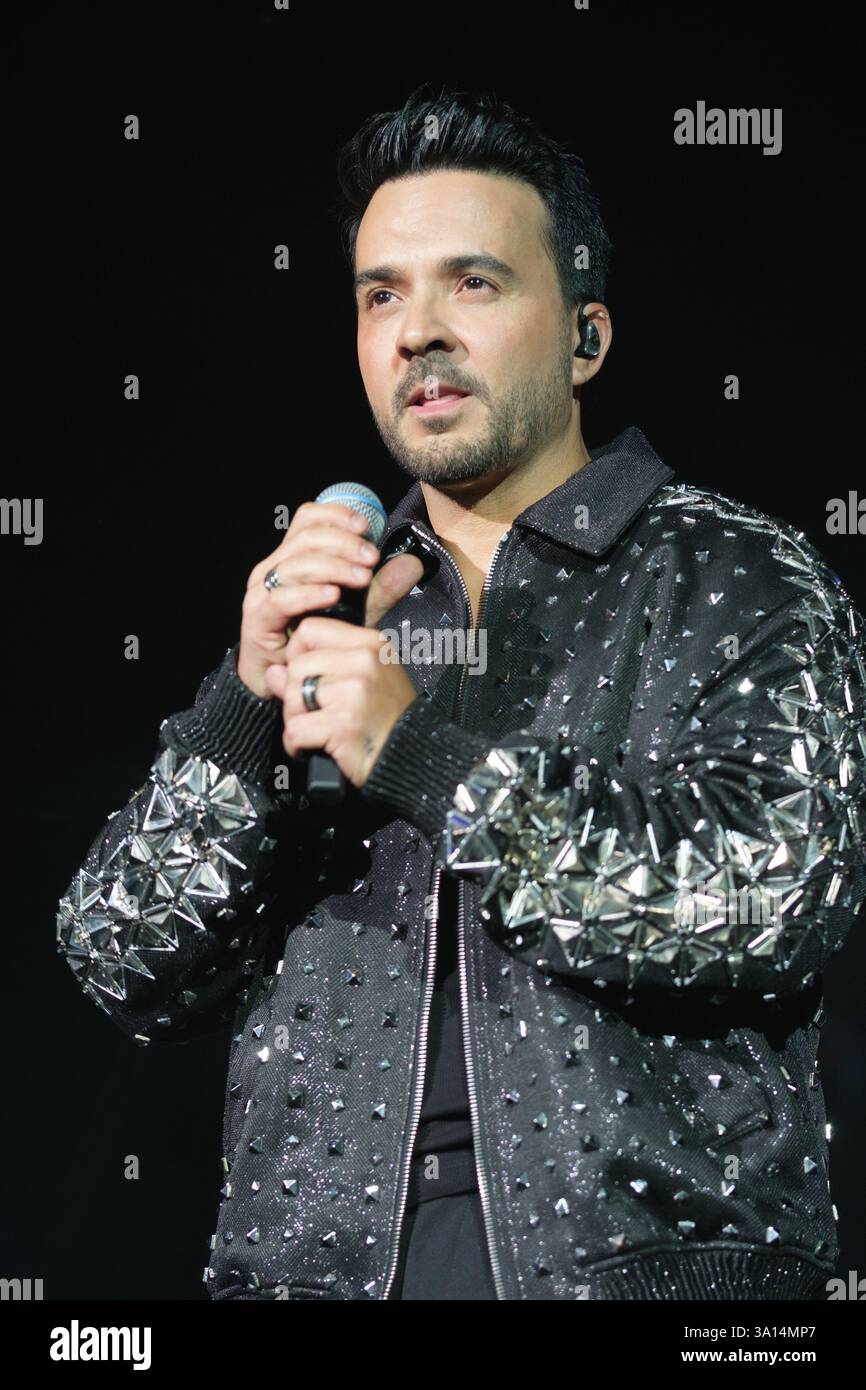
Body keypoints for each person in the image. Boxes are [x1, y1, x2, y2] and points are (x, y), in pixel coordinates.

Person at [57, 84, 865, 1301]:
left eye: (471, 284)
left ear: (584, 336)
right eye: (382, 293)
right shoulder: (331, 608)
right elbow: (120, 955)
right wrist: (239, 703)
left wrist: (426, 758)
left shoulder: (735, 574)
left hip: (651, 1280)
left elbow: (766, 898)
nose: (416, 330)